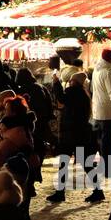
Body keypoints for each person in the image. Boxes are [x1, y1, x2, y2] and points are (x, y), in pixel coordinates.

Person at [47, 71, 95, 203]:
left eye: (71, 80)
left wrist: (56, 83)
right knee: (86, 163)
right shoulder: (83, 94)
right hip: (79, 134)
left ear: (75, 81)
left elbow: (61, 98)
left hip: (70, 134)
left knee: (64, 163)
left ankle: (60, 193)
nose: (69, 82)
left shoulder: (73, 91)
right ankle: (98, 190)